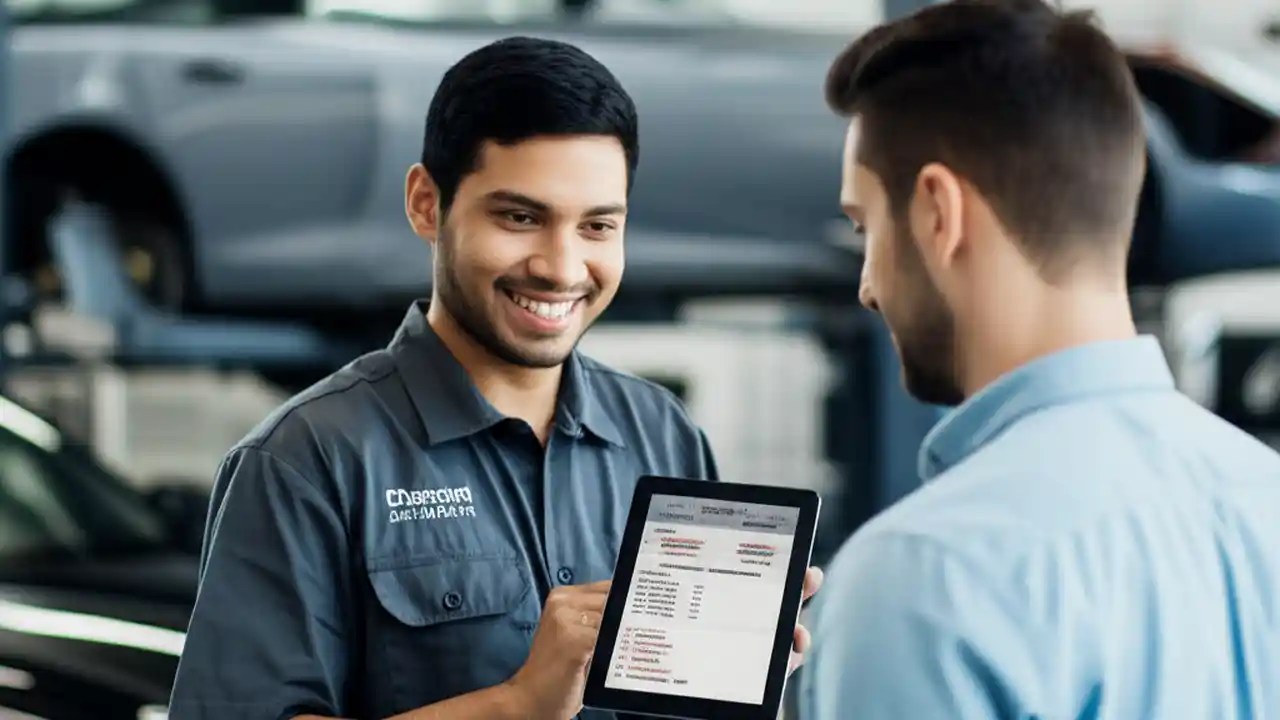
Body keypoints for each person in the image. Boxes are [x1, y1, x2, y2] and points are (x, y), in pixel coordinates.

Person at [168, 36, 819, 720]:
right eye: (520, 217)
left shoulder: (661, 434)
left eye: (598, 226)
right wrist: (518, 705)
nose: (562, 268)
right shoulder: (307, 460)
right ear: (427, 203)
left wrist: (736, 676)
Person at [800, 1, 1280, 718]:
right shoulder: (1264, 500)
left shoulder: (923, 574)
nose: (867, 284)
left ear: (938, 212)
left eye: (867, 227)